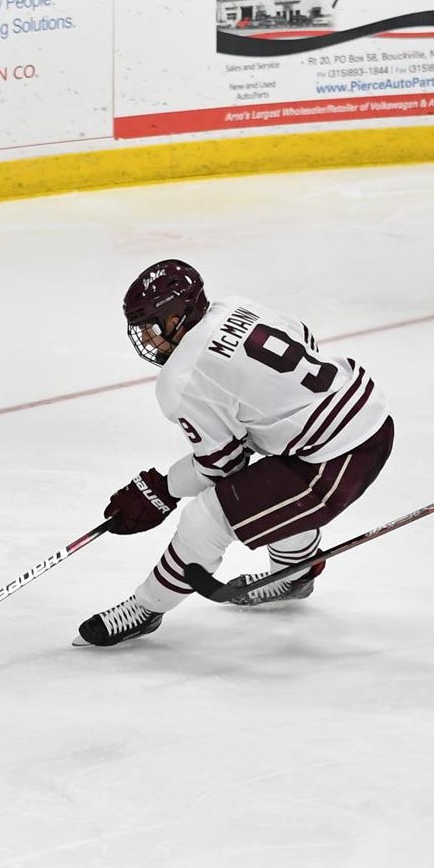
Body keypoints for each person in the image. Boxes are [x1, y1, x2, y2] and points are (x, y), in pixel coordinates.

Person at [77, 259, 395, 647]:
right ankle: (293, 576)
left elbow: (222, 466)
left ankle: (145, 608)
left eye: (151, 327)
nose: (147, 339)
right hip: (368, 412)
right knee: (271, 483)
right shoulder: (235, 307)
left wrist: (162, 489)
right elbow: (304, 338)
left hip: (337, 459)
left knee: (207, 518)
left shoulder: (181, 378)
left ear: (178, 318)